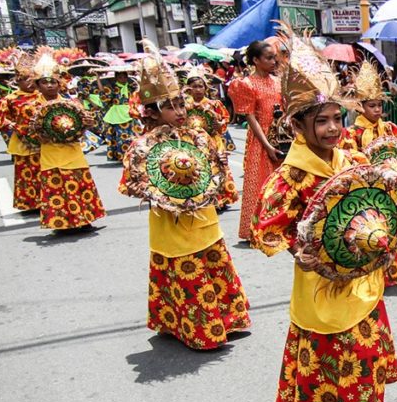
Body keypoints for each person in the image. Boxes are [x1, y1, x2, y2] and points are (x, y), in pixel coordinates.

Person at [251, 31, 397, 402]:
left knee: (362, 349)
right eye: (321, 120)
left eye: (338, 118)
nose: (334, 128)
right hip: (320, 284)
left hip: (362, 276)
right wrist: (306, 251)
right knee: (335, 351)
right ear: (298, 124)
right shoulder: (290, 177)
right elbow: (267, 231)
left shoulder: (352, 161)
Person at [120, 47, 250, 349]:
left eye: (181, 104)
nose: (180, 111)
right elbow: (131, 184)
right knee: (186, 272)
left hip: (205, 217)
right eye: (171, 106)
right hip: (171, 224)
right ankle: (198, 329)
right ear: (151, 111)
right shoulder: (142, 145)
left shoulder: (197, 138)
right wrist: (152, 187)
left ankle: (228, 319)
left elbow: (216, 173)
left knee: (215, 265)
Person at [341, 61, 397, 287]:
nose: (376, 110)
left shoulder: (392, 129)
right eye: (371, 105)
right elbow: (348, 160)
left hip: (393, 189)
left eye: (378, 105)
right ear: (360, 107)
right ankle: (376, 273)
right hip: (368, 191)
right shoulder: (351, 133)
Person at [30, 53, 106, 232]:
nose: (49, 85)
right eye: (44, 82)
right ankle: (62, 224)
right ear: (38, 85)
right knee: (57, 189)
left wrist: (87, 123)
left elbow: (84, 127)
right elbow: (31, 133)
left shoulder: (72, 103)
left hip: (72, 152)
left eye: (53, 82)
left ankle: (85, 220)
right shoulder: (33, 106)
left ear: (59, 84)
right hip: (50, 153)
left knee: (80, 185)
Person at [228, 40, 283, 242]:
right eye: (268, 58)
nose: (273, 62)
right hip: (260, 140)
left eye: (274, 58)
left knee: (281, 184)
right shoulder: (246, 84)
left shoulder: (278, 82)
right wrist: (267, 145)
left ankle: (278, 226)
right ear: (255, 60)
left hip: (281, 138)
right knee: (259, 184)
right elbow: (251, 118)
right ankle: (255, 229)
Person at [184, 68, 240, 209]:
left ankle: (219, 199)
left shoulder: (214, 104)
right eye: (194, 87)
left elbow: (223, 124)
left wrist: (217, 123)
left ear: (205, 88)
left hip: (213, 141)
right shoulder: (184, 106)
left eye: (200, 86)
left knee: (216, 168)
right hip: (191, 142)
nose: (197, 90)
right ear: (188, 89)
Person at [0, 66, 43, 211]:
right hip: (23, 141)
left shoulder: (43, 95)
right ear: (18, 81)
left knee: (46, 171)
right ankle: (31, 204)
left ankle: (47, 201)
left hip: (45, 140)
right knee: (27, 173)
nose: (30, 83)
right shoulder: (10, 99)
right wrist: (12, 125)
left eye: (32, 79)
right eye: (25, 79)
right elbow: (1, 119)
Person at [102, 67, 140, 161]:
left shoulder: (131, 86)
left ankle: (135, 154)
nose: (123, 79)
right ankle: (121, 156)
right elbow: (106, 98)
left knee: (135, 134)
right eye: (120, 77)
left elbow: (139, 92)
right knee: (120, 137)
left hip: (130, 111)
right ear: (116, 78)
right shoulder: (112, 88)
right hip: (117, 113)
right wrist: (98, 80)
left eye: (124, 77)